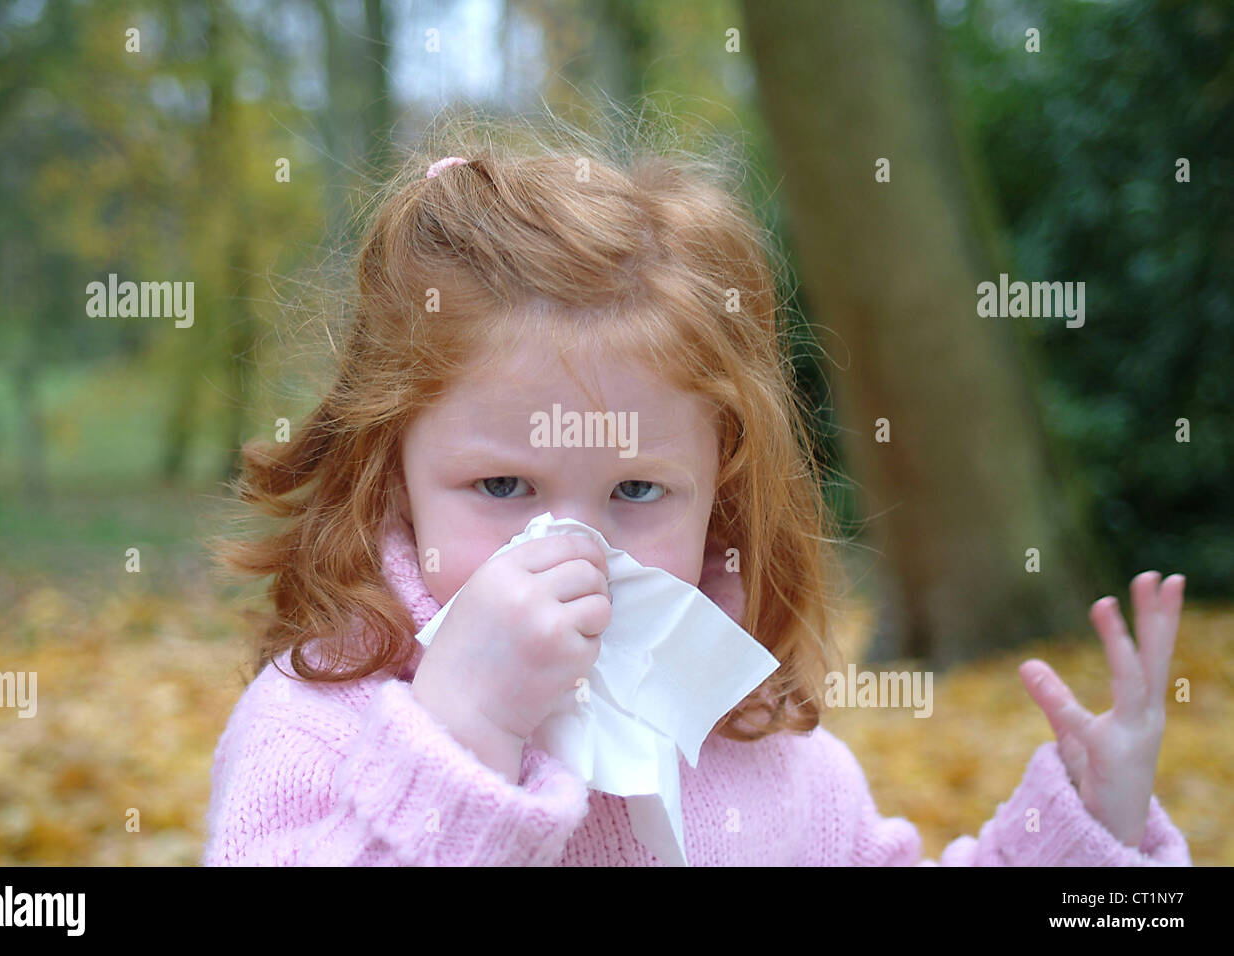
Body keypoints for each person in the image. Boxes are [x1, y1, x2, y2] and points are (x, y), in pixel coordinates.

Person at [202, 113, 1190, 866]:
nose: (574, 548)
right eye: (502, 483)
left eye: (636, 490)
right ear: (392, 473)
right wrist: (458, 740)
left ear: (717, 496)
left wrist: (1081, 829)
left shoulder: (758, 753)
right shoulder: (318, 725)